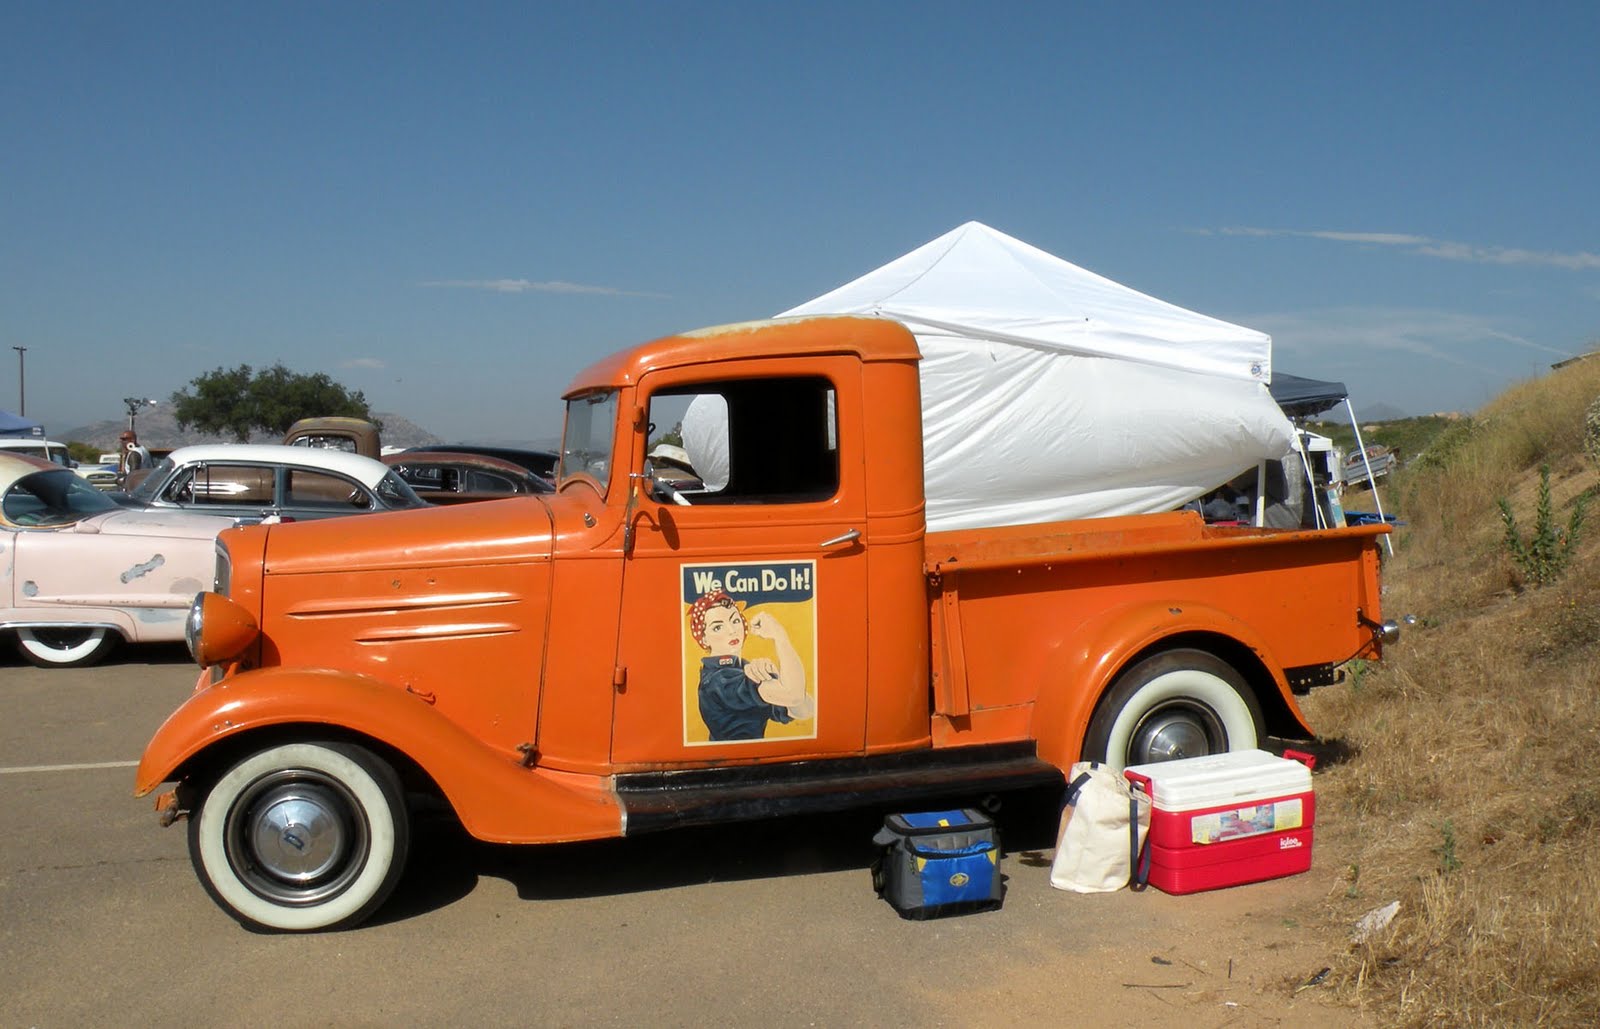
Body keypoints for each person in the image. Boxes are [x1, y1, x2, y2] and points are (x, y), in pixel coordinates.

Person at [687, 589, 813, 741]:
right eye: (718, 627)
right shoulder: (718, 680)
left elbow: (805, 710)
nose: (732, 630)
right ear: (704, 639)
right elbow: (794, 696)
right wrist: (780, 637)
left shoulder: (742, 668)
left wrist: (778, 678)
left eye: (735, 621)